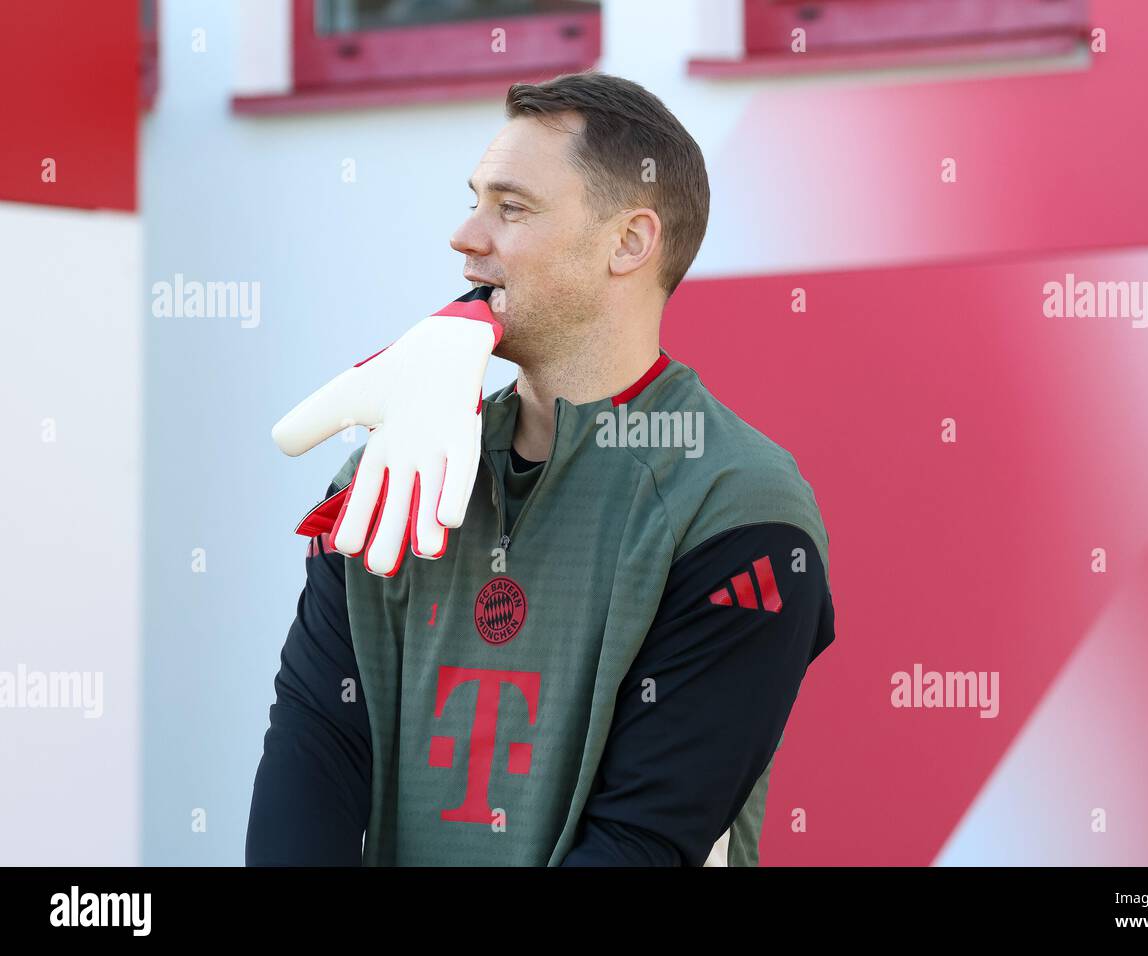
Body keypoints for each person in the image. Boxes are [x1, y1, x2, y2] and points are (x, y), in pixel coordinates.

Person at [246, 70, 835, 866]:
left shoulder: (737, 503)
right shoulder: (386, 471)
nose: (465, 235)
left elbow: (643, 843)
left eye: (510, 207)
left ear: (629, 242)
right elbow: (312, 761)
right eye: (474, 199)